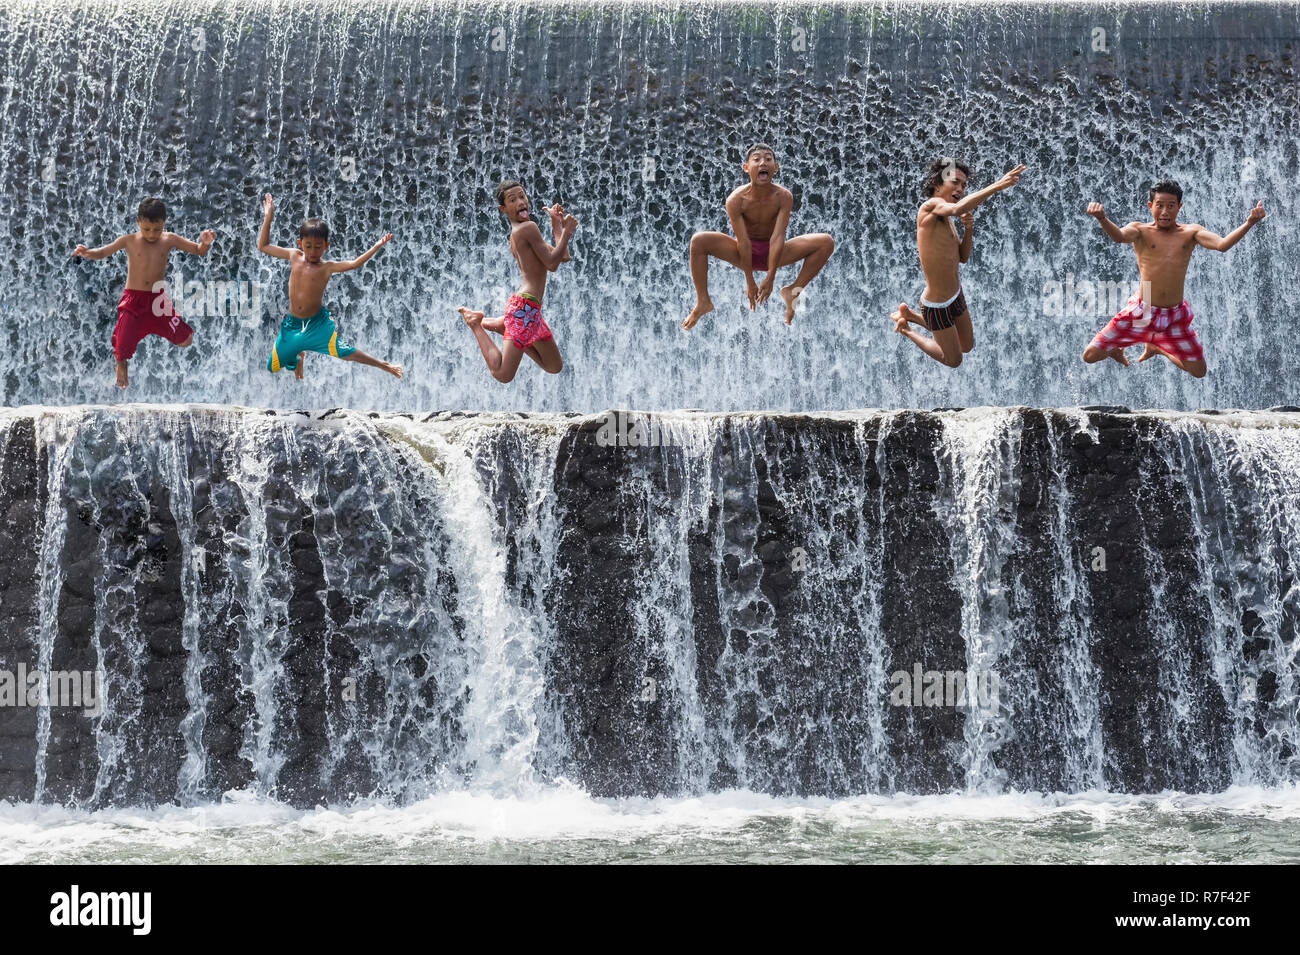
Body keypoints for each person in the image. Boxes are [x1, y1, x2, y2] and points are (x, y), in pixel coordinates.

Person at [1082, 180, 1266, 377]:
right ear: (1150, 206)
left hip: (1174, 317)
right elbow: (1119, 236)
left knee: (1199, 371)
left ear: (1179, 207)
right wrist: (1102, 218)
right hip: (1141, 312)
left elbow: (1222, 245)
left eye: (1171, 206)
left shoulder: (1191, 233)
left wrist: (1249, 223)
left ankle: (1158, 348)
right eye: (1159, 205)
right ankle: (1113, 350)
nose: (1164, 212)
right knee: (1090, 355)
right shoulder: (1140, 231)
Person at [683, 142, 835, 328]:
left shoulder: (783, 197)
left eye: (768, 159)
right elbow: (743, 242)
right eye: (757, 160)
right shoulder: (735, 200)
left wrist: (770, 278)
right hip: (741, 253)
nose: (763, 163)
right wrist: (750, 281)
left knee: (825, 242)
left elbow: (778, 237)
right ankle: (703, 302)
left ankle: (794, 291)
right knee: (699, 240)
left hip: (776, 253)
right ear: (746, 168)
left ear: (776, 167)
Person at [891, 158, 1025, 367]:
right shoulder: (930, 207)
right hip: (937, 306)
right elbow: (957, 208)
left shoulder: (948, 220)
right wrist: (998, 185)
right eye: (955, 182)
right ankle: (906, 328)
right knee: (954, 359)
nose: (960, 189)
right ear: (936, 183)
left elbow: (963, 257)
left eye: (964, 185)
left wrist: (969, 230)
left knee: (967, 344)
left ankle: (910, 315)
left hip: (955, 295)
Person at [73, 197, 214, 388]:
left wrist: (204, 243)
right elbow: (103, 252)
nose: (152, 234)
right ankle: (121, 364)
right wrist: (87, 252)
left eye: (157, 229)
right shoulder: (129, 240)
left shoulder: (169, 239)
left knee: (186, 340)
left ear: (164, 223)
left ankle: (152, 327)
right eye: (146, 229)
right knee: (122, 346)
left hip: (158, 301)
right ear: (138, 222)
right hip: (133, 300)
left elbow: (199, 250)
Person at [257, 194, 402, 379]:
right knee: (273, 366)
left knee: (344, 352)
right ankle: (298, 357)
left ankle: (384, 365)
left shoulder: (327, 267)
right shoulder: (294, 255)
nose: (312, 251)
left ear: (326, 246)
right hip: (293, 324)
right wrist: (268, 218)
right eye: (308, 246)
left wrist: (376, 246)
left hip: (317, 324)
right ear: (300, 244)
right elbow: (264, 246)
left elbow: (354, 264)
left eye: (318, 247)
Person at [457, 180, 574, 382]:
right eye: (513, 200)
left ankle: (505, 326)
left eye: (522, 196)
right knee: (503, 374)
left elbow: (562, 256)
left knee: (554, 366)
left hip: (531, 310)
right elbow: (551, 264)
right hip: (524, 308)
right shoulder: (527, 228)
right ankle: (476, 323)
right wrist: (568, 232)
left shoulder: (521, 233)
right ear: (503, 209)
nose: (520, 201)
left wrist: (557, 224)